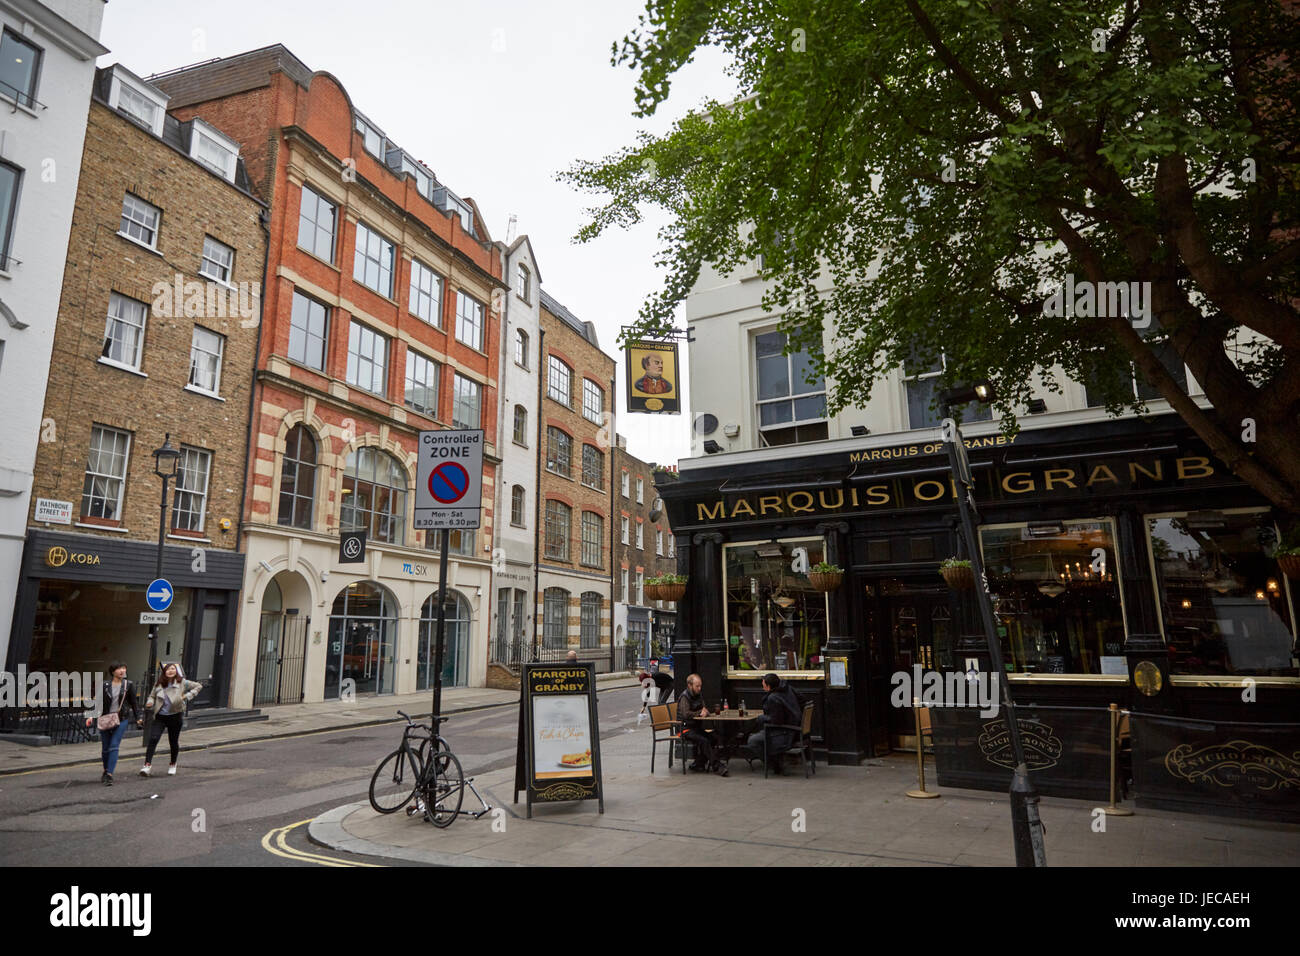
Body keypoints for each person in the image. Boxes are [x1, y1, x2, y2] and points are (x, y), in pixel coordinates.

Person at [139, 662, 202, 777]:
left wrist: (187, 696)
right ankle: (147, 765)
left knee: (173, 742)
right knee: (153, 739)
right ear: (164, 672)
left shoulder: (182, 682)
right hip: (160, 717)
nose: (170, 671)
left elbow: (198, 686)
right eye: (168, 669)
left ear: (176, 671)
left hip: (175, 716)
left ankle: (173, 764)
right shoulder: (159, 684)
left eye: (173, 669)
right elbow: (152, 695)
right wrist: (150, 702)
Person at [86, 662, 140, 786]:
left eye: (124, 668)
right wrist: (90, 716)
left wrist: (138, 718)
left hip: (121, 719)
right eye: (119, 668)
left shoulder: (128, 685)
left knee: (114, 745)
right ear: (113, 671)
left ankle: (109, 774)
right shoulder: (105, 685)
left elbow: (134, 704)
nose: (122, 670)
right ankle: (105, 771)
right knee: (105, 749)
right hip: (105, 718)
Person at [746, 673, 803, 775]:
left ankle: (774, 764)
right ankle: (776, 760)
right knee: (758, 734)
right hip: (796, 728)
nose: (762, 687)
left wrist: (761, 718)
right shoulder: (787, 688)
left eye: (763, 685)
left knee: (752, 741)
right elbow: (802, 699)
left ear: (768, 686)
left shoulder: (773, 698)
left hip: (786, 733)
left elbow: (777, 721)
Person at [677, 673, 725, 774]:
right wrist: (699, 713)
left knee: (713, 738)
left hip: (696, 728)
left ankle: (698, 763)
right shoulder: (684, 697)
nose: (699, 688)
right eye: (697, 686)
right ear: (690, 685)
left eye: (700, 686)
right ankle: (717, 766)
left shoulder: (698, 695)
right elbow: (686, 714)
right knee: (704, 740)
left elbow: (703, 708)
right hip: (685, 729)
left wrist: (705, 712)